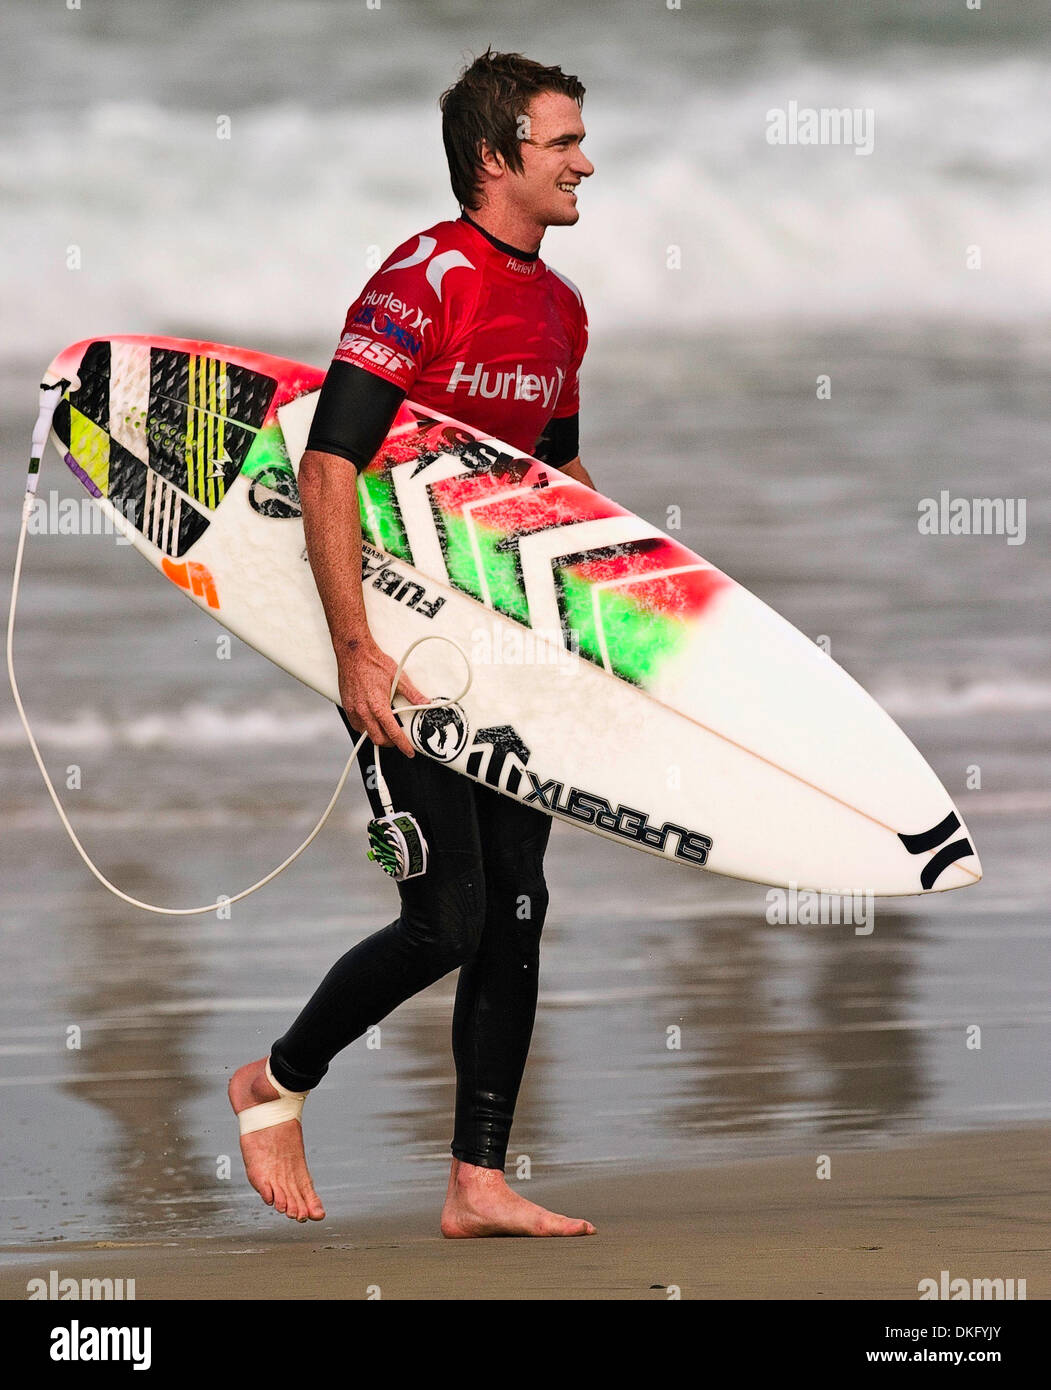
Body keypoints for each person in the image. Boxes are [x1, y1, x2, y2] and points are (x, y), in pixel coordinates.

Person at [229, 49, 597, 1238]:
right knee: (448, 915)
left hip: (505, 631)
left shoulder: (561, 305)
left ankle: (476, 1179)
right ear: (497, 160)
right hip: (396, 634)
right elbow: (326, 458)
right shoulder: (420, 282)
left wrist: (610, 619)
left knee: (522, 900)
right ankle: (276, 1078)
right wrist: (352, 647)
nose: (585, 161)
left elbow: (557, 474)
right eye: (561, 143)